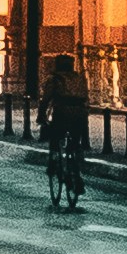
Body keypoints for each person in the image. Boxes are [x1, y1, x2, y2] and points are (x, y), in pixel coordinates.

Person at [39, 54, 90, 213]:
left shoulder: (55, 79)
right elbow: (86, 97)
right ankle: (76, 173)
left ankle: (54, 162)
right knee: (75, 143)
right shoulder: (79, 78)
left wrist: (41, 116)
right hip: (80, 113)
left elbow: (46, 99)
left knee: (56, 137)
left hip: (62, 112)